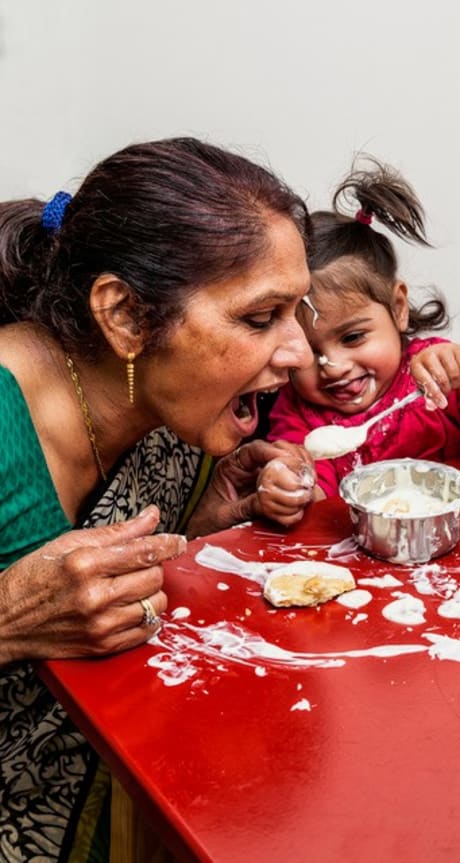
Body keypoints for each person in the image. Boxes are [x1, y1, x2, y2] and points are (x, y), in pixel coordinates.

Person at [0, 136, 317, 862]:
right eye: (261, 317)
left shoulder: (166, 408)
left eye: (299, 310)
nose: (300, 351)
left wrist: (202, 520)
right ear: (125, 316)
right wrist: (8, 621)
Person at [265, 157, 460, 499]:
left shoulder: (434, 377)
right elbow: (317, 498)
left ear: (398, 308)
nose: (335, 366)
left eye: (353, 337)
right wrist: (288, 489)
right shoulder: (298, 412)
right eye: (311, 352)